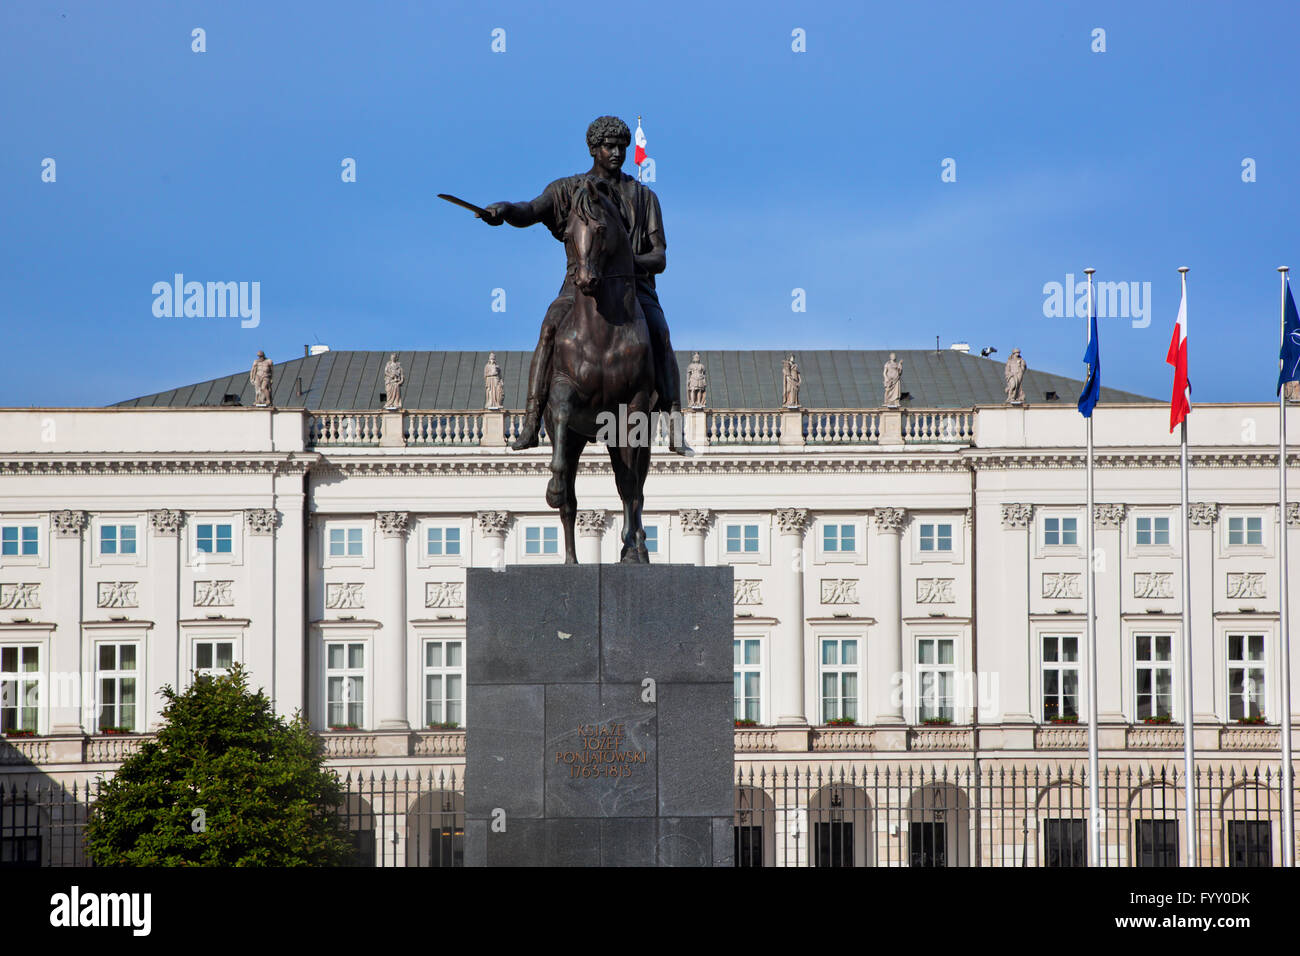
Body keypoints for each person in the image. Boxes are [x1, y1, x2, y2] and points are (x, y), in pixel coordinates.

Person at [479, 115, 683, 452]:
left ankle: (675, 421)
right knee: (548, 329)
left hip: (635, 291)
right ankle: (532, 420)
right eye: (609, 146)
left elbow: (659, 258)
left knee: (660, 333)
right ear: (593, 149)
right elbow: (530, 210)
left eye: (621, 146)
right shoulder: (567, 190)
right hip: (577, 289)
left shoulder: (644, 197)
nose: (616, 152)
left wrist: (625, 264)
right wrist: (503, 209)